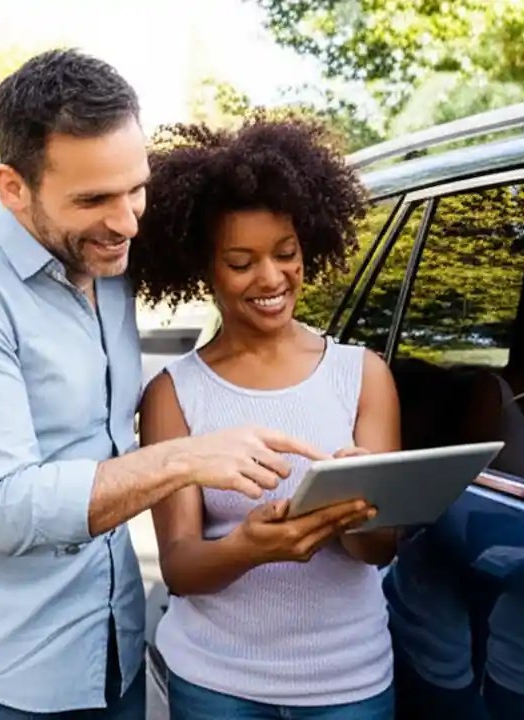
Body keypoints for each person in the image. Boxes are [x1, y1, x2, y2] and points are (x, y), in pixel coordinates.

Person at [0, 51, 326, 720]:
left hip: (110, 654)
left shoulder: (107, 260)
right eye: (93, 199)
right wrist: (182, 457)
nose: (126, 221)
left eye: (136, 188)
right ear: (13, 187)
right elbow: (5, 509)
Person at [130, 114, 401, 720]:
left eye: (286, 253)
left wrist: (358, 510)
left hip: (348, 684)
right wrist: (252, 547)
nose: (272, 277)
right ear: (205, 269)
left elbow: (381, 550)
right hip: (216, 685)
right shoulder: (174, 394)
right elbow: (179, 565)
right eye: (241, 262)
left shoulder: (363, 376)